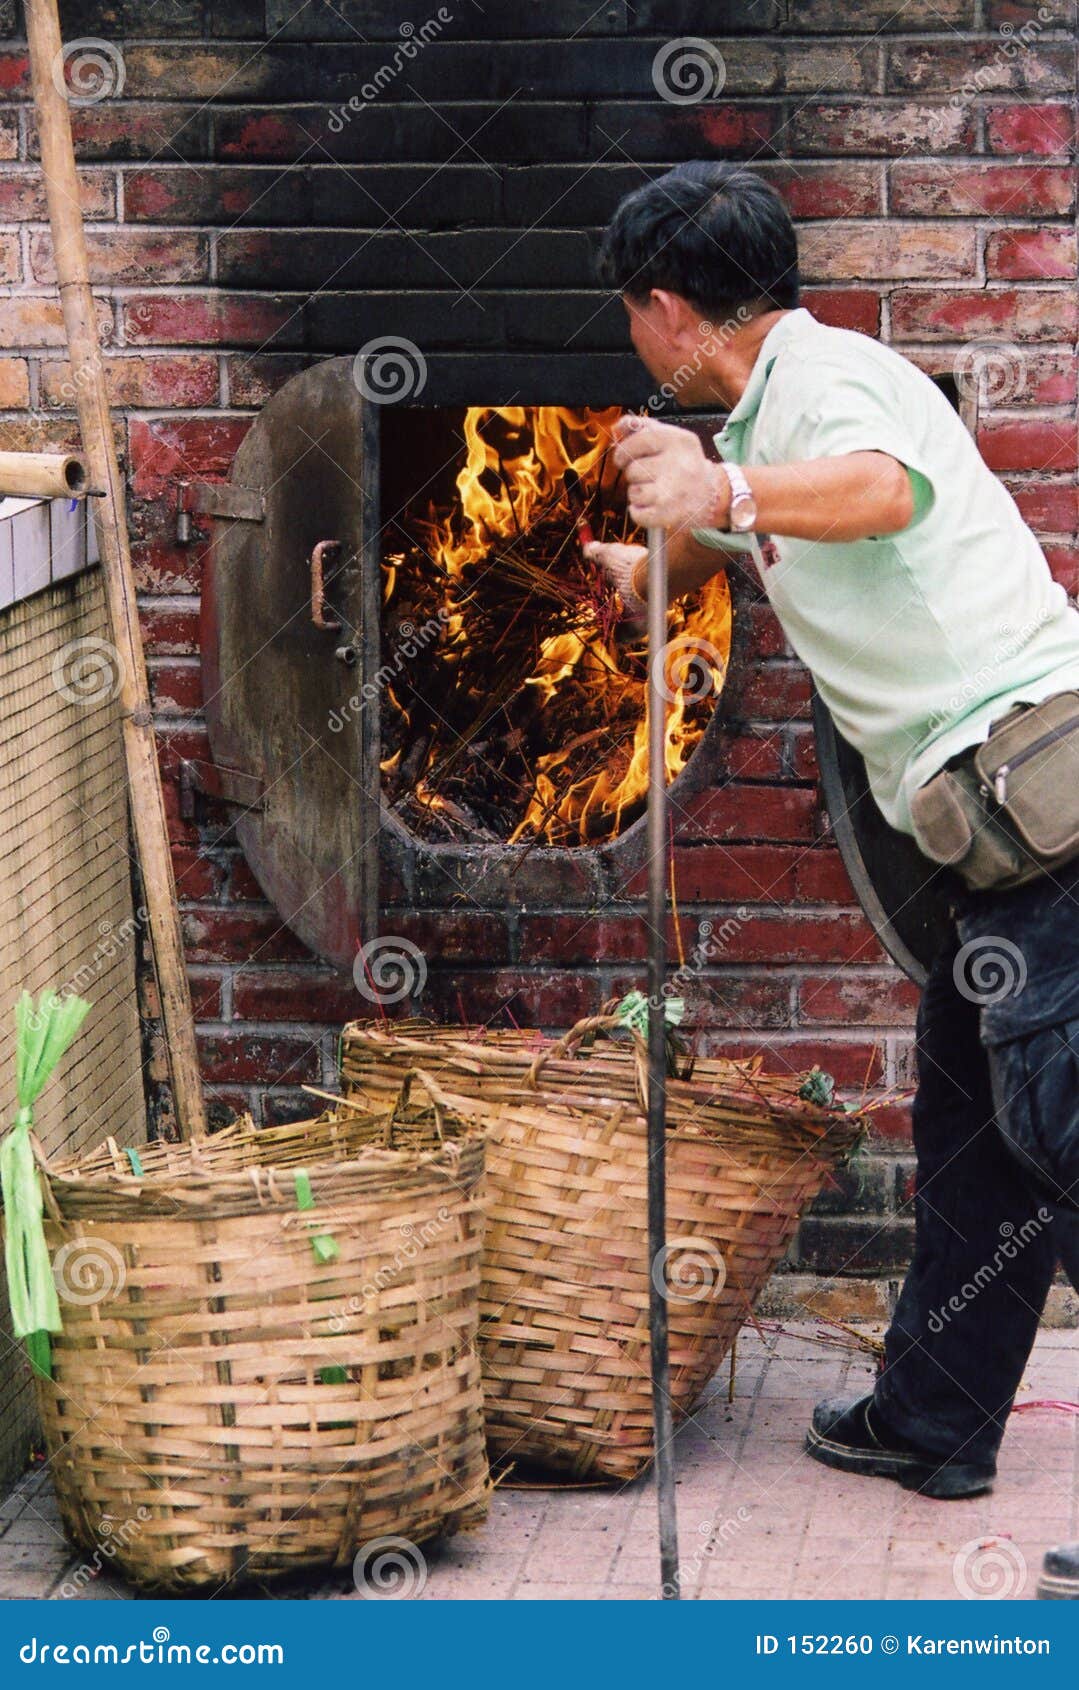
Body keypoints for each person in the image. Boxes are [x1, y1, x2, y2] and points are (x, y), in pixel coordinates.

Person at [587, 159, 1079, 1601]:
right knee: (973, 1127)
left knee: (1061, 1126)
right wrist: (661, 546)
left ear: (669, 313)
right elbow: (776, 527)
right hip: (994, 844)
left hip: (1046, 822)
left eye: (634, 313)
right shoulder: (775, 401)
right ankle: (930, 1413)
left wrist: (722, 479)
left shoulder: (827, 394)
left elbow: (881, 489)